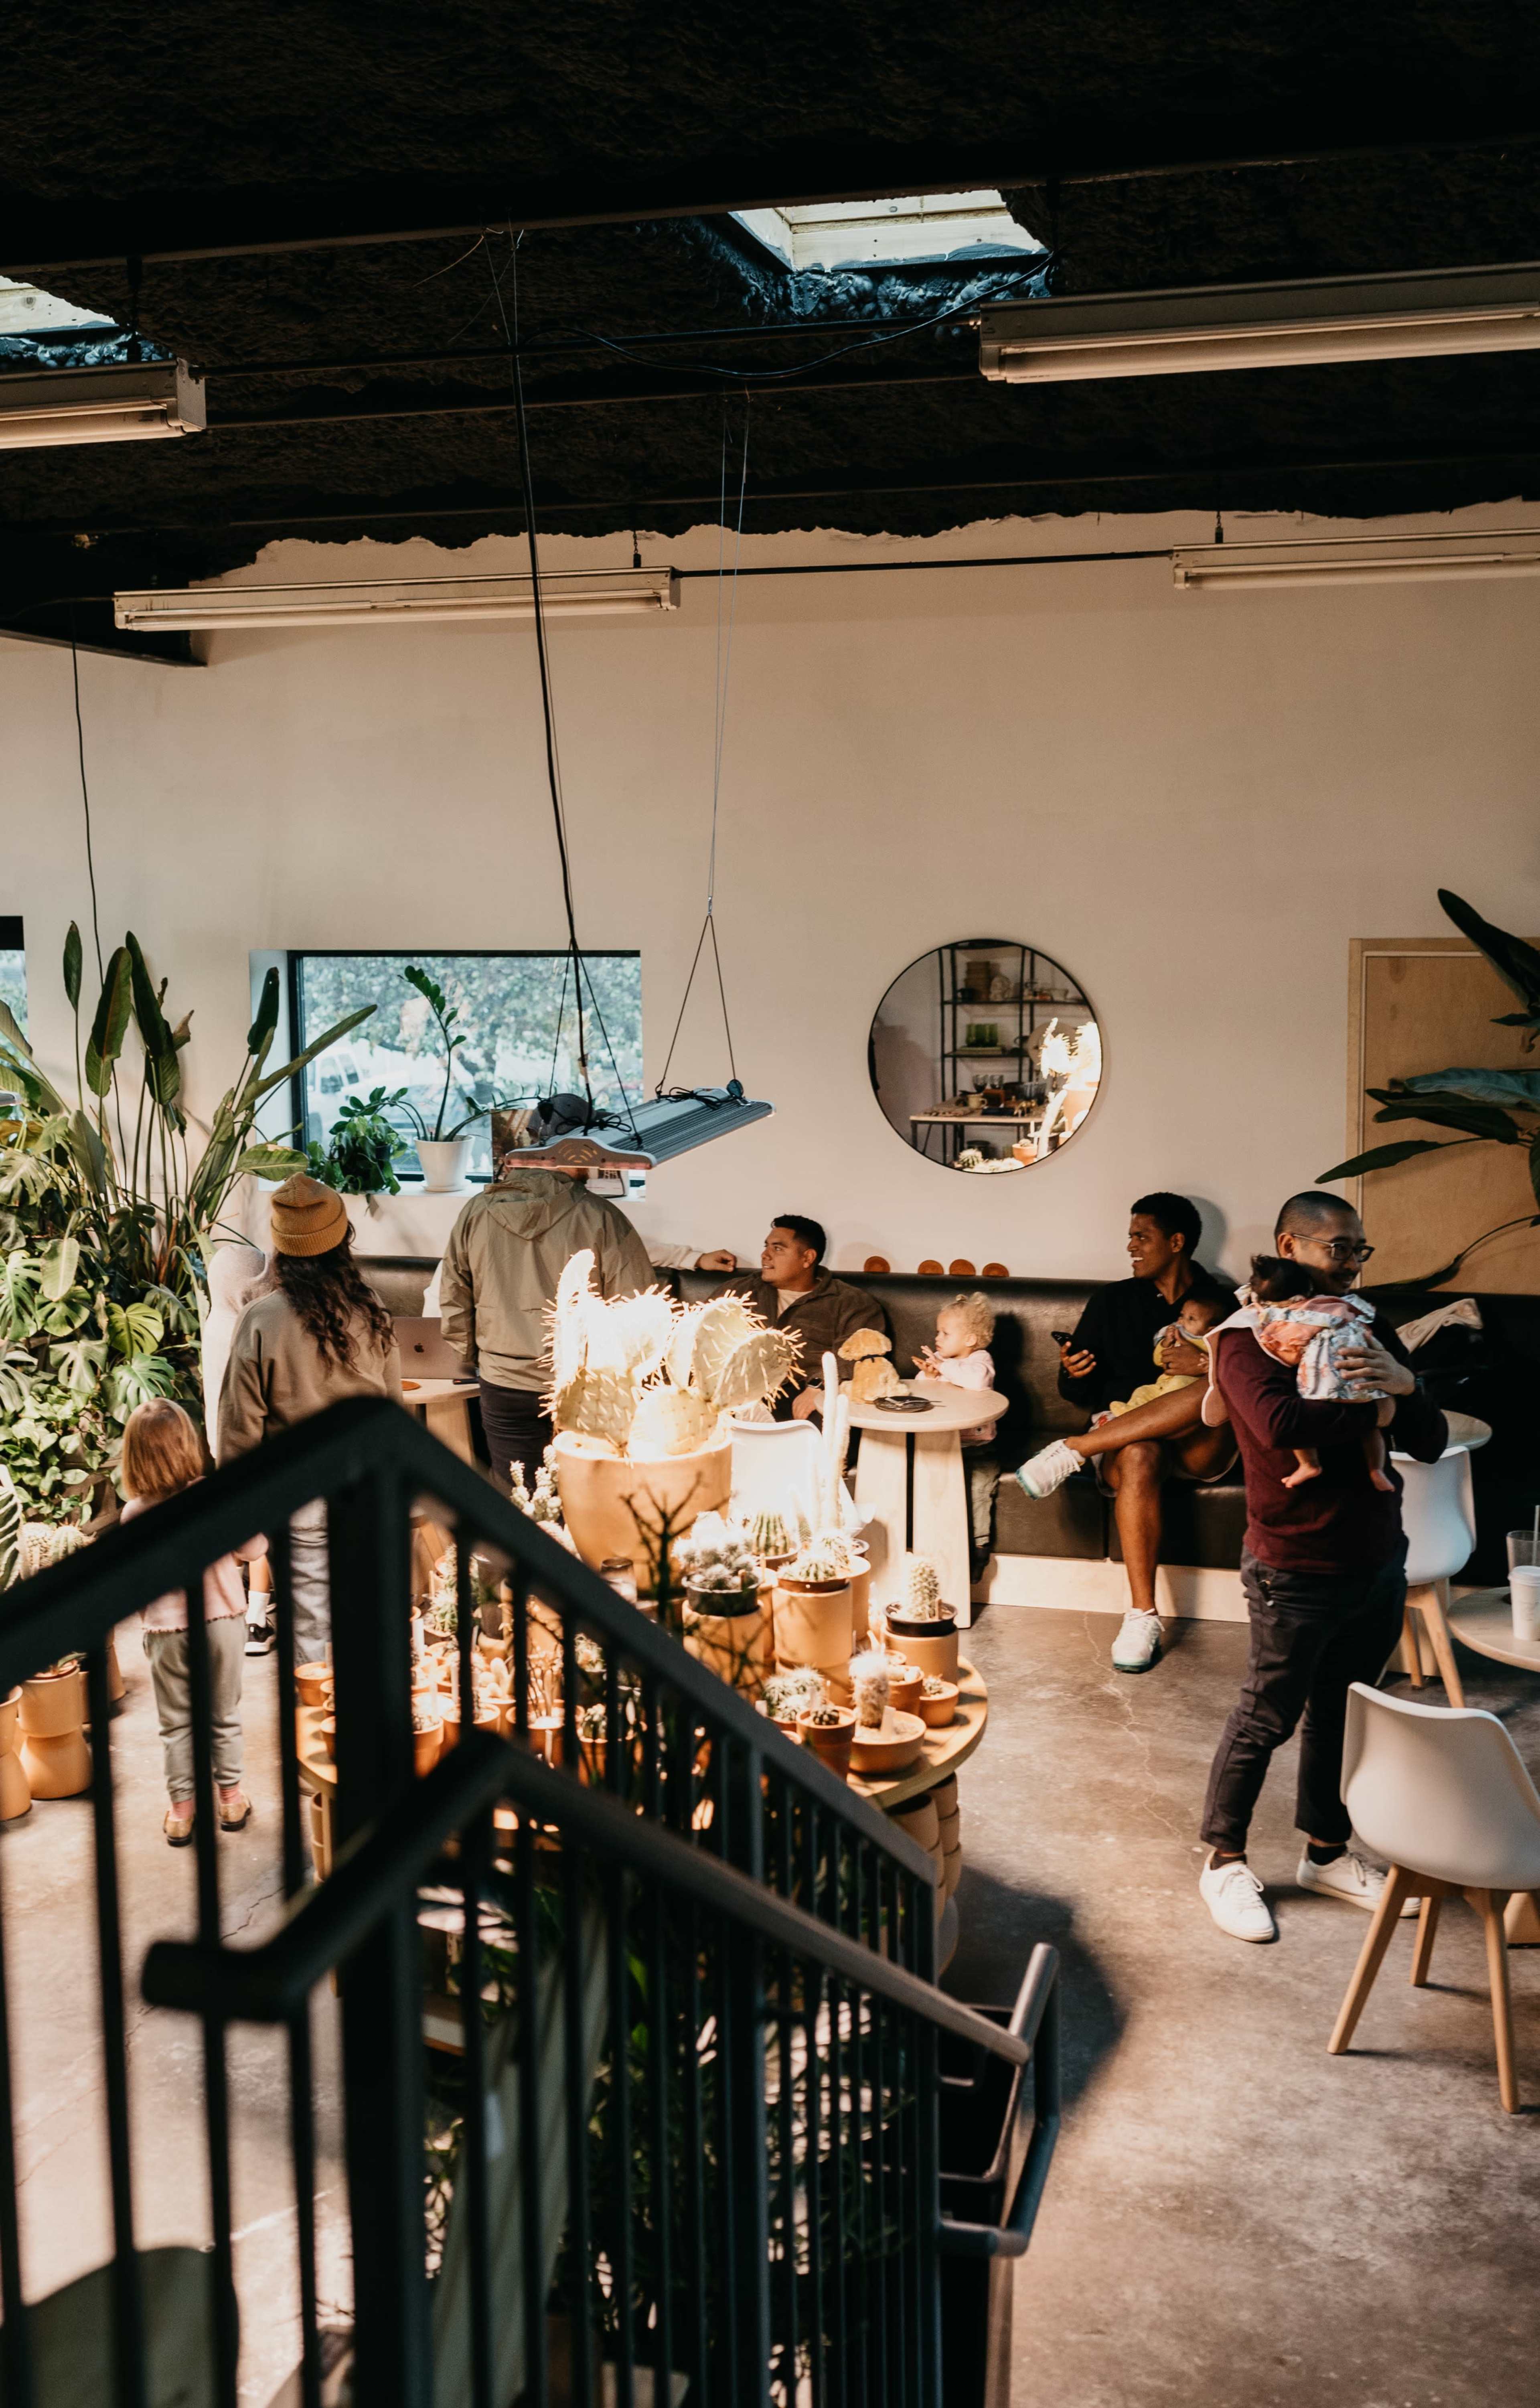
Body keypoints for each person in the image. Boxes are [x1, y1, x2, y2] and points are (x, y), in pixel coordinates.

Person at [1195, 1191, 1447, 1945]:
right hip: (1293, 1564)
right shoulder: (1245, 1337)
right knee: (1266, 1716)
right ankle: (1224, 1861)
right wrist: (1381, 1409)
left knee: (1344, 1712)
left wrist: (1406, 1393)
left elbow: (1429, 1438)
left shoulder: (1367, 1323)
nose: (1354, 1263)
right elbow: (1277, 1426)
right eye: (1340, 1248)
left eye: (1360, 1249)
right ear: (1290, 1246)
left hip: (1376, 1556)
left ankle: (1326, 1854)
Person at [1013, 1193, 1235, 1672]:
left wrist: (1204, 1363)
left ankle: (1072, 1451)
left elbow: (1252, 1374)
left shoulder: (1221, 1301)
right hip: (1127, 1438)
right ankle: (1142, 1616)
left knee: (1218, 1384)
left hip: (1200, 1441)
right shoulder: (1111, 1300)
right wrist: (1073, 1371)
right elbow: (1077, 1393)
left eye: (1141, 1236)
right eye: (1130, 1236)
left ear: (1176, 1242)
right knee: (1139, 1452)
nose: (1130, 1246)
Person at [218, 1175, 403, 1663]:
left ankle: (320, 1730)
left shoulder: (262, 1319)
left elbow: (240, 1424)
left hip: (296, 1495)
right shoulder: (372, 1309)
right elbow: (393, 1407)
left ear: (279, 1247)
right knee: (366, 1617)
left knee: (311, 1633)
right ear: (343, 1239)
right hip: (366, 1487)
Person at [439, 1155, 657, 1488]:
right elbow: (637, 1308)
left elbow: (455, 1296)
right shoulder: (601, 1215)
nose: (594, 1164)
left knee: (523, 1502)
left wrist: (477, 1359)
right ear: (571, 1154)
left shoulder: (476, 1211)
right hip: (583, 1385)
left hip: (504, 1381)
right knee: (587, 1503)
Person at [121, 1399, 263, 1847]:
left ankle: (182, 1812)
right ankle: (231, 1800)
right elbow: (256, 1547)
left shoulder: (134, 1513)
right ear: (189, 1445)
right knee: (223, 1714)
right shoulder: (215, 1496)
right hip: (221, 1620)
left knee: (176, 1723)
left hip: (165, 1631)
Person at [1205, 1255, 1394, 1492]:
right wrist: (1377, 1412)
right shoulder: (1335, 1304)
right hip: (1360, 1376)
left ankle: (1309, 1464)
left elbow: (1290, 1352)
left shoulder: (1287, 1320)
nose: (1353, 1264)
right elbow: (1364, 1325)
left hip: (1326, 1382)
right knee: (1372, 1429)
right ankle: (1376, 1469)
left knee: (1302, 1428)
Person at [716, 1217, 889, 1418]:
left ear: (808, 1258)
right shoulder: (739, 1291)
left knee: (821, 1414)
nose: (765, 1255)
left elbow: (861, 1352)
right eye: (767, 1247)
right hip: (735, 1391)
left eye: (778, 1249)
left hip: (802, 1393)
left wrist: (819, 1386)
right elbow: (696, 1333)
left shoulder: (851, 1302)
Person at [916, 1291, 999, 1567]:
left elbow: (977, 1382)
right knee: (934, 1493)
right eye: (937, 1332)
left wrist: (944, 1366)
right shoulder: (943, 1360)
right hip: (943, 1445)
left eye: (945, 1333)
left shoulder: (980, 1362)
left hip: (979, 1448)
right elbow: (920, 1389)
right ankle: (933, 1546)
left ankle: (978, 1548)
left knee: (978, 1492)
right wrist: (929, 1376)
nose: (937, 1338)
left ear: (970, 1340)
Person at [1103, 1289, 1226, 1418]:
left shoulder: (1211, 1343)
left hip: (1186, 1386)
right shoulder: (1174, 1337)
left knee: (1177, 1386)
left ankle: (1151, 1418)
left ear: (1210, 1330)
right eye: (1182, 1316)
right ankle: (1129, 1413)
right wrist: (1166, 1343)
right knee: (1142, 1391)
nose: (1182, 1322)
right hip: (1162, 1384)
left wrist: (1206, 1362)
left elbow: (1219, 1362)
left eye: (1191, 1319)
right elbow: (1159, 1361)